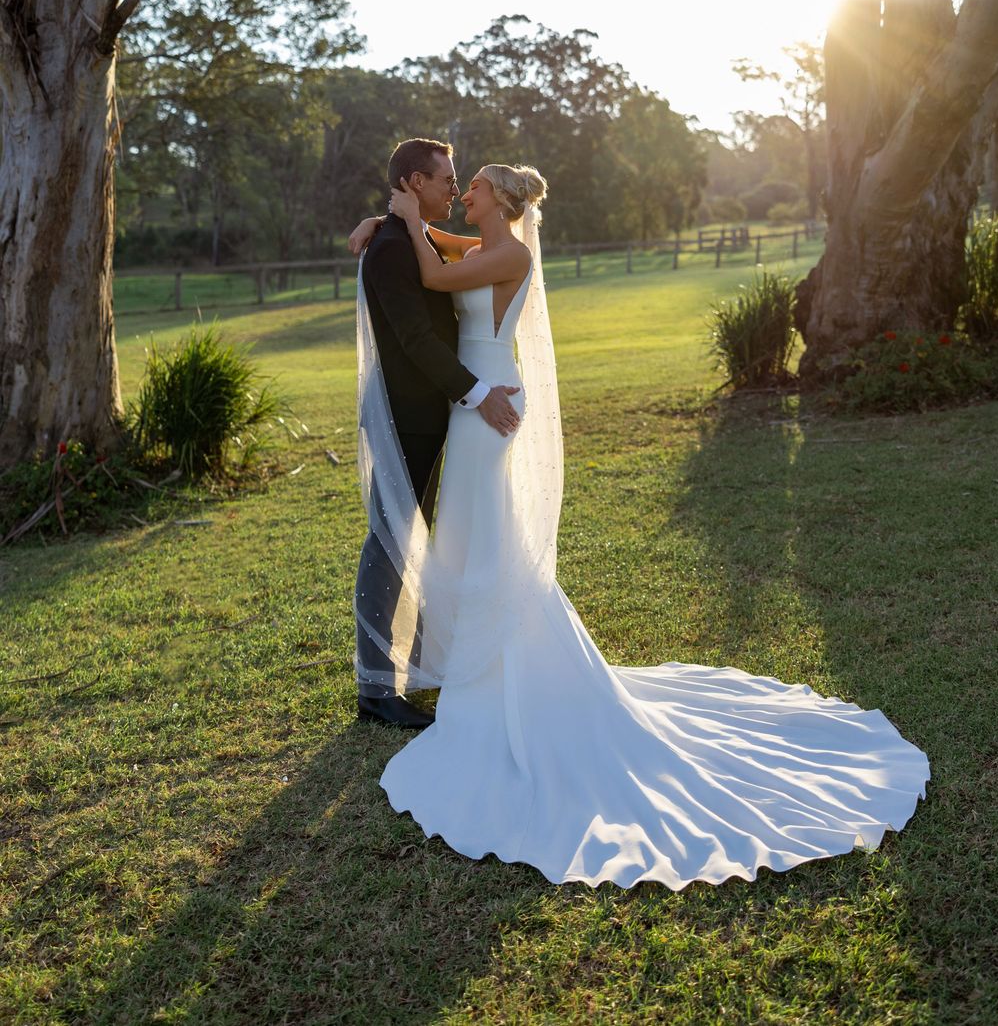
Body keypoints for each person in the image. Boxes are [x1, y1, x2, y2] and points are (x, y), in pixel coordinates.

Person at [352, 162, 930, 888]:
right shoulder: (485, 244)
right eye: (453, 184)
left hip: (487, 399)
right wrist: (389, 222)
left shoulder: (513, 252)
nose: (462, 192)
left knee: (489, 535)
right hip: (474, 405)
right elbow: (436, 246)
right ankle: (472, 655)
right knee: (471, 532)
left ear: (498, 199)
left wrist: (404, 222)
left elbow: (434, 278)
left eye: (472, 188)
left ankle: (499, 668)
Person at [351, 138, 522, 729]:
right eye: (447, 179)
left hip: (436, 411)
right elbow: (416, 341)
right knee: (390, 541)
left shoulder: (406, 236)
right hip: (408, 412)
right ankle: (375, 687)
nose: (455, 188)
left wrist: (391, 217)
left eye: (461, 182)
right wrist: (476, 394)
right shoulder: (392, 249)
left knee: (422, 537)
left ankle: (424, 662)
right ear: (415, 181)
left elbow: (446, 267)